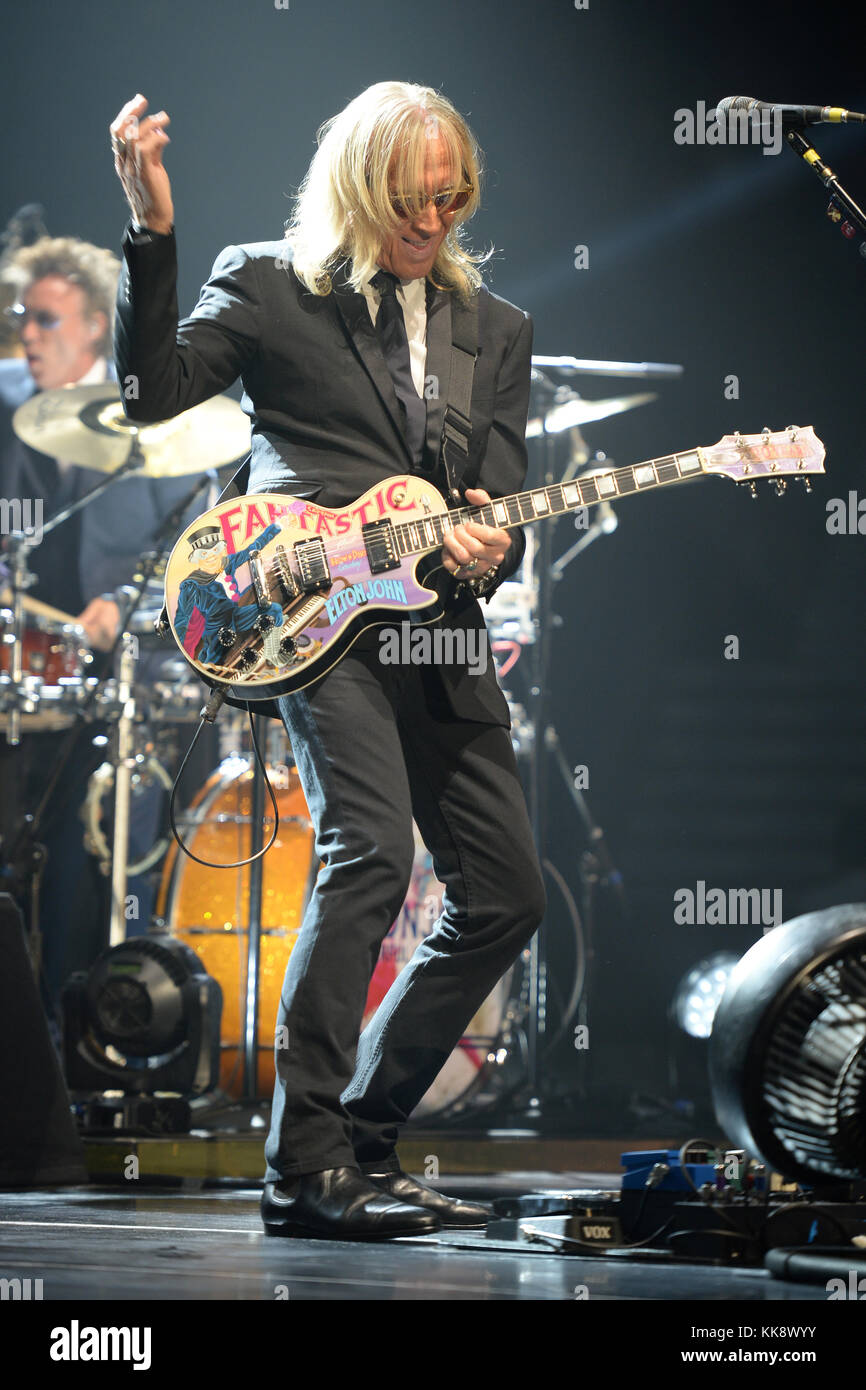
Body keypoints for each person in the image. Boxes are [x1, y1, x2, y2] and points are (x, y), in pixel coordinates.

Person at [110, 81, 546, 1240]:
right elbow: (149, 393)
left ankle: (361, 1136)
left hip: (434, 622)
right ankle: (300, 1165)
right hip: (307, 610)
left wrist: (490, 539)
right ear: (362, 184)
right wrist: (152, 235)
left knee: (504, 895)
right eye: (415, 195)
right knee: (367, 851)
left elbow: (494, 498)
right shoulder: (266, 284)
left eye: (455, 194)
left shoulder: (494, 328)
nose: (437, 215)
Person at [0, 235, 208, 1017]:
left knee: (96, 871)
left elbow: (195, 561)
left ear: (94, 325)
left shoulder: (160, 420)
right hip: (34, 673)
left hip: (137, 684)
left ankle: (101, 1030)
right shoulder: (11, 400)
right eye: (22, 316)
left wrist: (124, 604)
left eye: (45, 320)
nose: (27, 332)